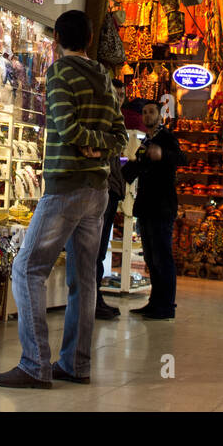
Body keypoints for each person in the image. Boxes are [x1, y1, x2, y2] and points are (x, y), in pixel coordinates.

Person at [0, 10, 127, 389]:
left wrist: (88, 146)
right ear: (91, 35)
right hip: (97, 191)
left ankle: (35, 364)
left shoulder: (60, 73)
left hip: (65, 185)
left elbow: (66, 126)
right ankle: (76, 364)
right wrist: (100, 150)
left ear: (57, 40)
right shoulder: (105, 78)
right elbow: (120, 135)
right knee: (84, 279)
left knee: (27, 268)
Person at [122, 98, 182, 319]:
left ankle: (166, 305)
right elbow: (135, 168)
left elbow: (181, 159)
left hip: (162, 207)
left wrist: (163, 155)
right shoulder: (146, 142)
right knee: (150, 257)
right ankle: (155, 301)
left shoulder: (166, 138)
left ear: (159, 115)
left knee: (162, 257)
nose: (147, 116)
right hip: (146, 207)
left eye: (151, 112)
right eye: (144, 113)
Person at [95, 81, 131, 320]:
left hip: (111, 190)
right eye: (115, 94)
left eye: (122, 94)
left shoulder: (115, 121)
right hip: (102, 190)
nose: (119, 98)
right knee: (96, 250)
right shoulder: (105, 121)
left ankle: (95, 298)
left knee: (99, 250)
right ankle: (93, 300)